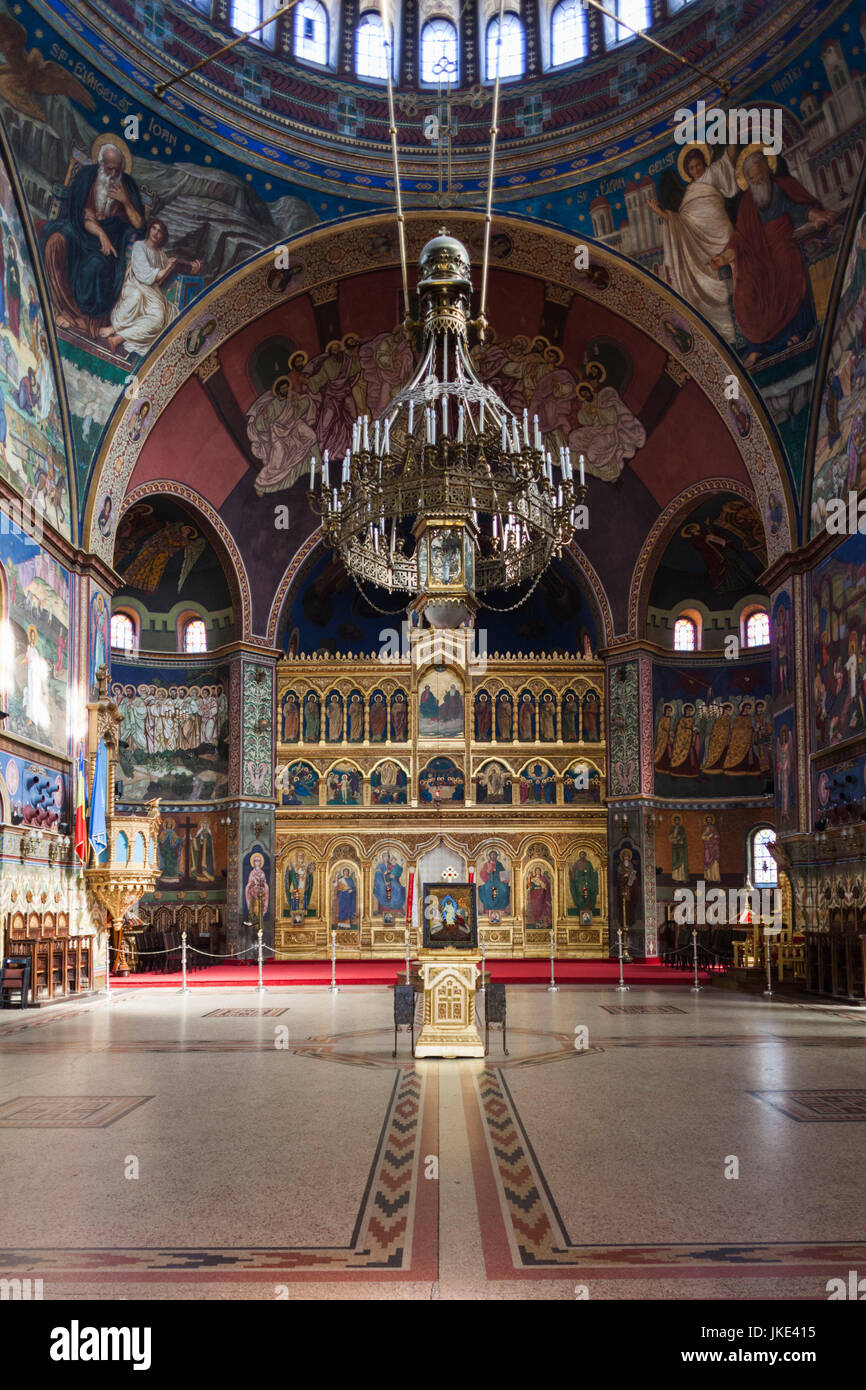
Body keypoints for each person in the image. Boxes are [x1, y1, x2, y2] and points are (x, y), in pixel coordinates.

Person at [710, 150, 834, 369]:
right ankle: (757, 348)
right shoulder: (748, 202)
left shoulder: (781, 187)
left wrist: (815, 215)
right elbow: (740, 236)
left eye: (760, 176)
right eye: (753, 179)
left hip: (784, 242)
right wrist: (723, 257)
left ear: (768, 170)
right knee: (747, 289)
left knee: (788, 266)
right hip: (757, 254)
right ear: (746, 180)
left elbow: (799, 208)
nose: (758, 181)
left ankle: (794, 332)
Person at [40, 144, 145, 337]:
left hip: (112, 238)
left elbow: (138, 225)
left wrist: (125, 201)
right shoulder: (89, 177)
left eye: (117, 169)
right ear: (101, 164)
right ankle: (61, 307)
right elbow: (83, 214)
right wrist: (100, 234)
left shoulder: (126, 185)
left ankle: (83, 318)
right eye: (109, 168)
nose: (113, 174)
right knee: (55, 242)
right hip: (83, 229)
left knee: (96, 266)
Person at [649, 146, 739, 341]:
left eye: (698, 164)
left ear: (704, 163)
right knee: (711, 282)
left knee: (735, 275)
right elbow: (683, 223)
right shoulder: (689, 191)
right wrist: (661, 214)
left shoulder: (713, 172)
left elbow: (728, 160)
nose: (696, 169)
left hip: (722, 232)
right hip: (700, 244)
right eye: (691, 167)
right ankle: (725, 335)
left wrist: (729, 136)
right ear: (687, 171)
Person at [105, 218, 202, 356]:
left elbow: (169, 267)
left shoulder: (161, 254)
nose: (156, 233)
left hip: (152, 291)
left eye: (160, 231)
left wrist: (192, 265)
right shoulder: (139, 246)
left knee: (160, 317)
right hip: (137, 285)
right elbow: (146, 276)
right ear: (149, 229)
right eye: (154, 229)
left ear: (163, 236)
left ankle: (118, 338)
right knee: (153, 311)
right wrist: (169, 266)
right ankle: (117, 332)